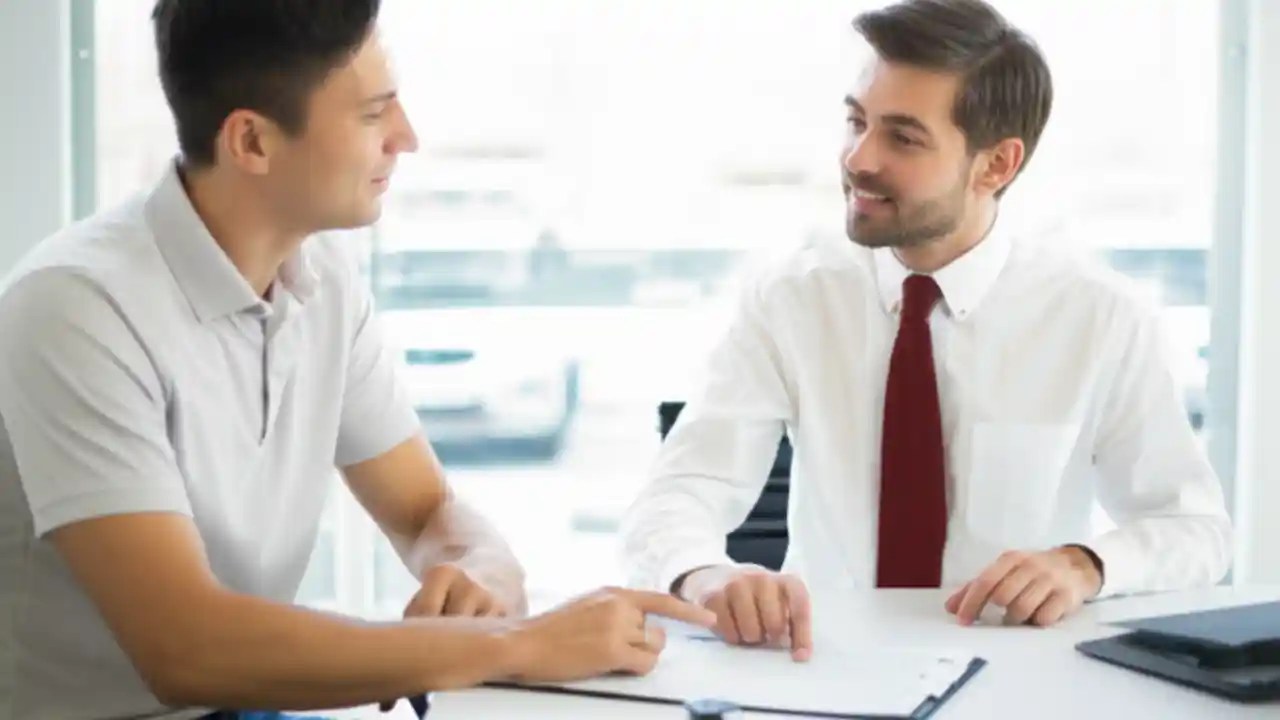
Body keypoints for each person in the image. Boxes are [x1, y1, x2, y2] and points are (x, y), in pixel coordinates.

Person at [0, 1, 713, 718]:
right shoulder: (75, 309)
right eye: (373, 116)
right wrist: (515, 643)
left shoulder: (323, 277)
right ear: (251, 141)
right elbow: (186, 650)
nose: (407, 138)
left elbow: (426, 509)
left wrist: (479, 569)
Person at [621, 0, 1232, 662]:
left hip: (1020, 678)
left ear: (995, 165)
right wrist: (704, 574)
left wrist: (1087, 564)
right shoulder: (792, 298)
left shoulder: (1100, 317)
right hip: (821, 667)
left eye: (902, 138)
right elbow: (677, 496)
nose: (858, 159)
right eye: (857, 122)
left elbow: (1195, 530)